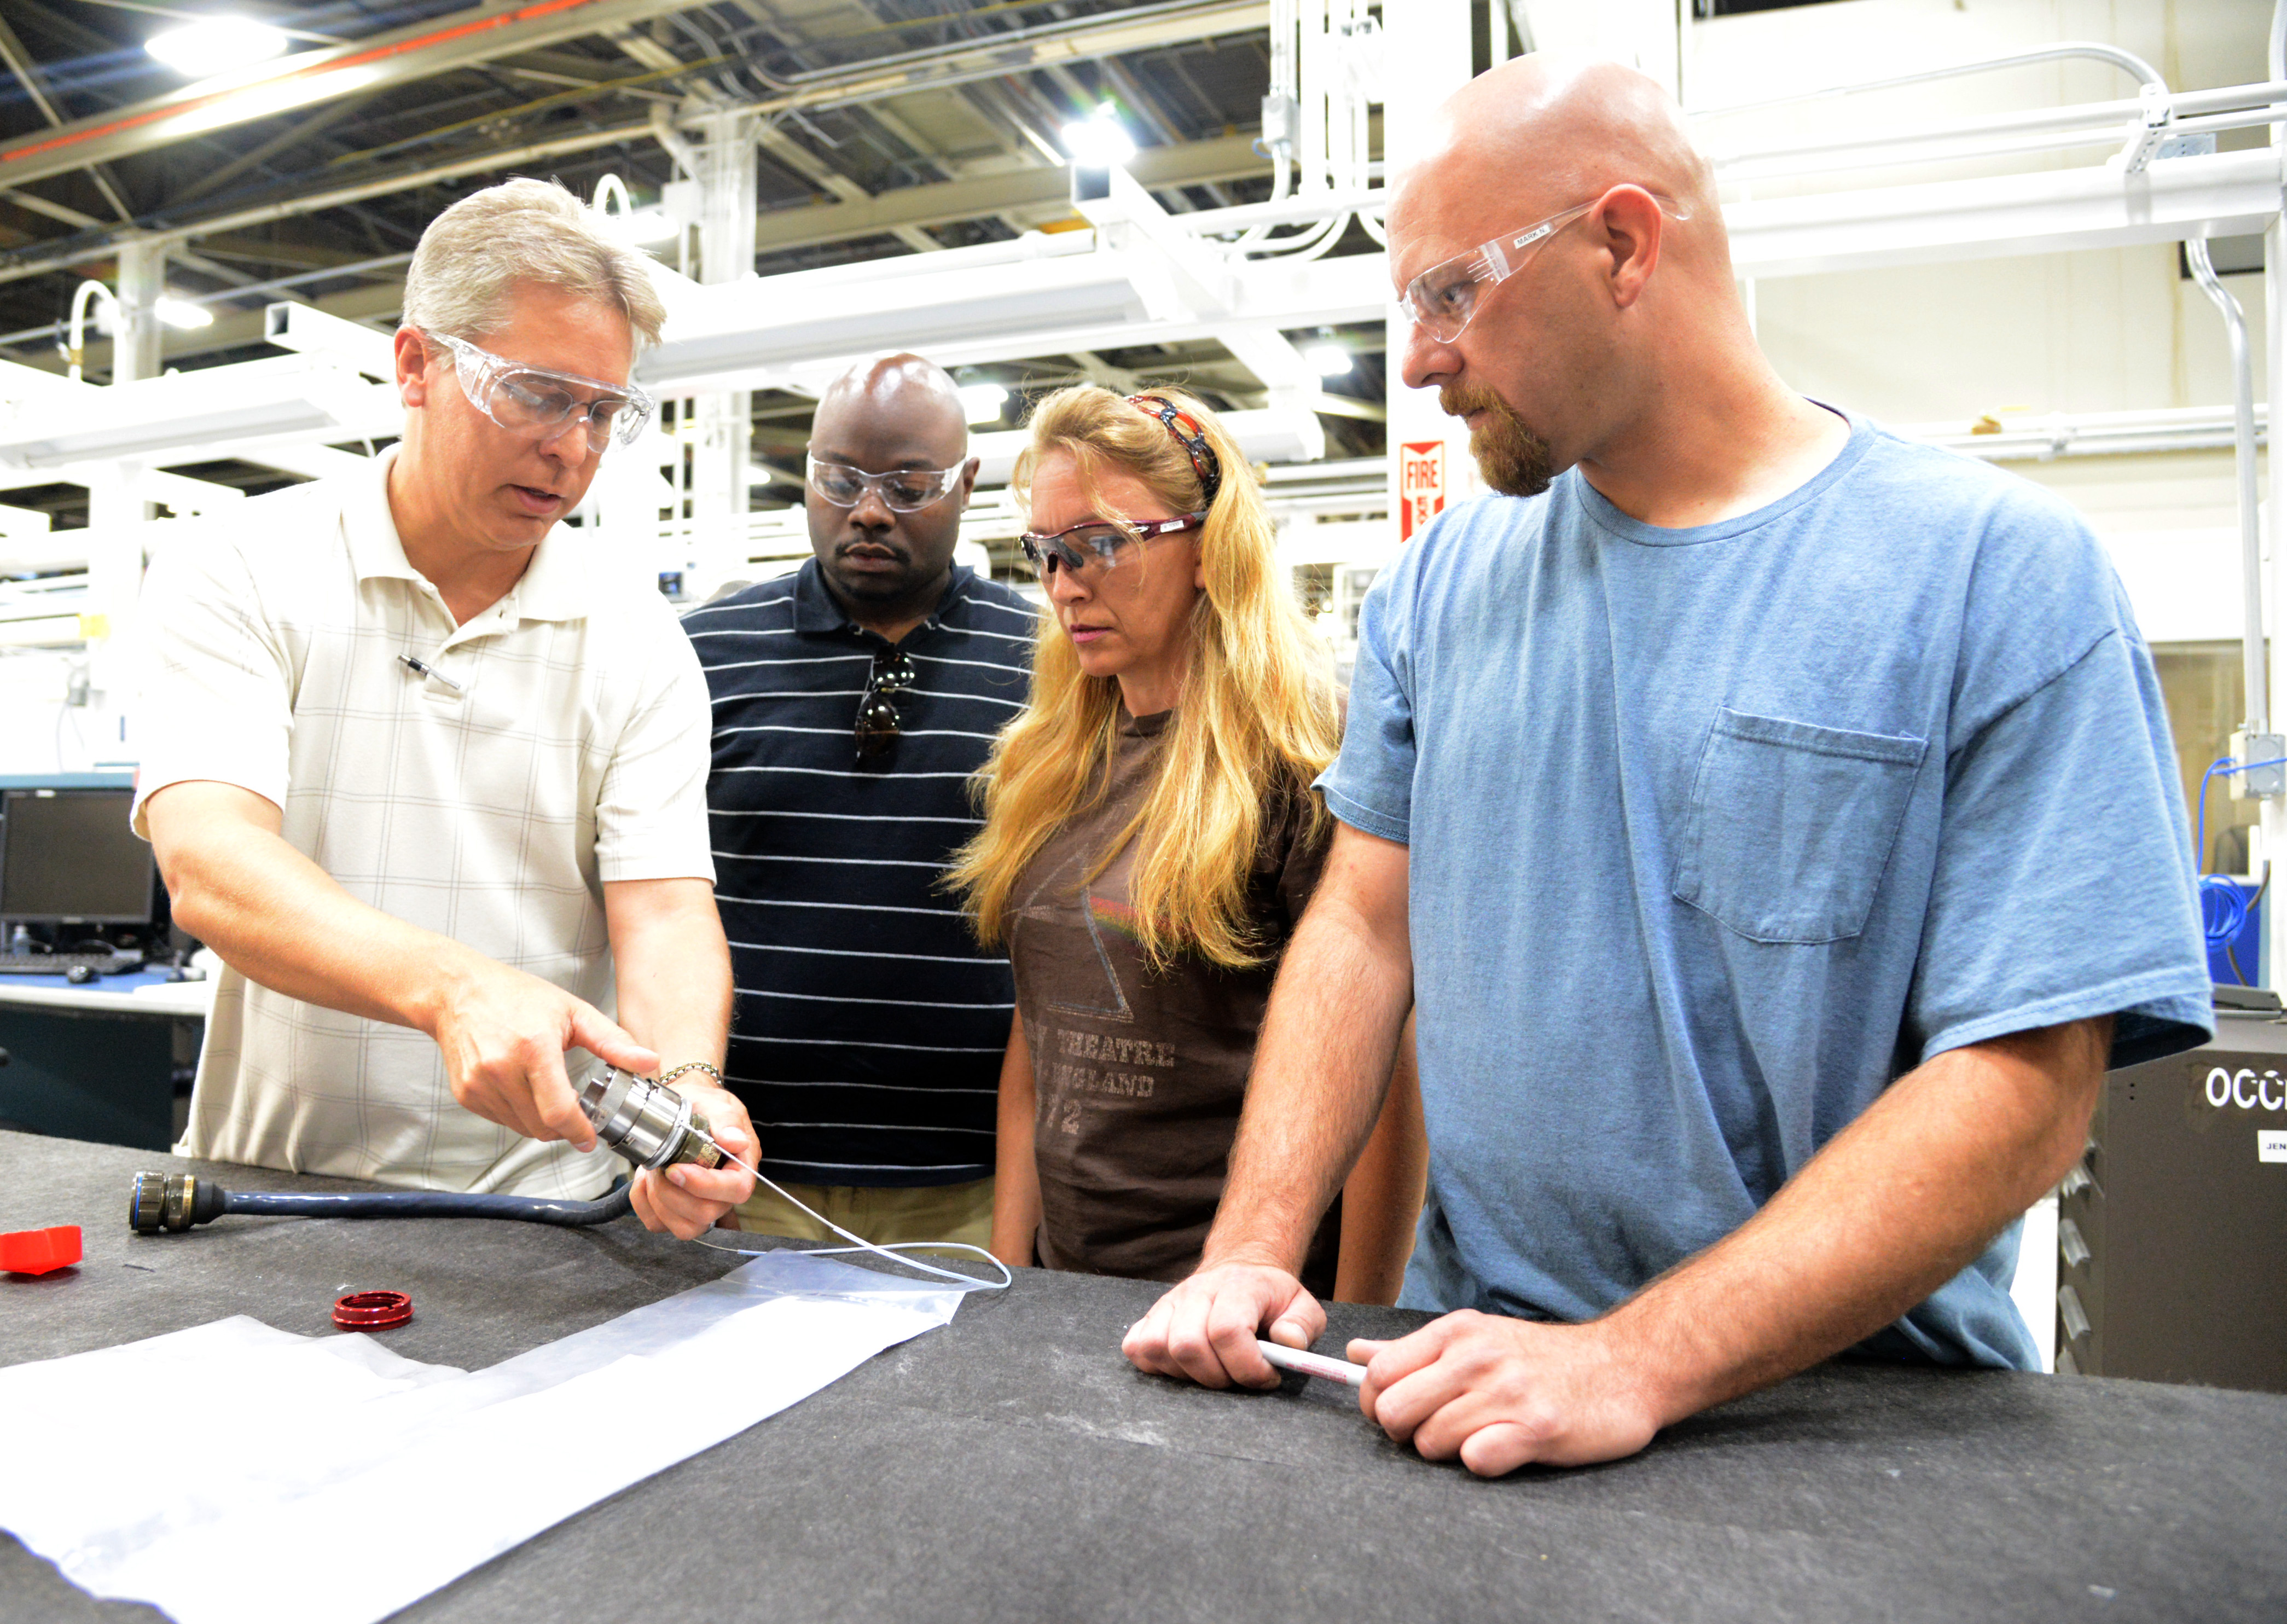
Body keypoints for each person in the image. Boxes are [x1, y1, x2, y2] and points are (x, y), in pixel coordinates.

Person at [1122, 56, 2211, 1471]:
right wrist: (1250, 1250)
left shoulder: (1991, 578)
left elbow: (2026, 1079)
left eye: (1452, 291)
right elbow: (1362, 925)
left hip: (1845, 1422)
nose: (1419, 358)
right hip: (1468, 1392)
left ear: (1623, 246)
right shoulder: (1437, 589)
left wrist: (1636, 1356)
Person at [136, 178, 754, 1239]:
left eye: (602, 409)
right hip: (272, 1193)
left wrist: (691, 1084)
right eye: (536, 392)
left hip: (542, 1209)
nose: (573, 446)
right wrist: (451, 987)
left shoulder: (636, 634)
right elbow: (210, 863)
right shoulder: (240, 564)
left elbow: (659, 911)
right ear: (415, 364)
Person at [949, 386, 1425, 1300]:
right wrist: (1010, 1280)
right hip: (1066, 1280)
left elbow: (1383, 1082)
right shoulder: (1046, 764)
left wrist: (1356, 1315)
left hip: (1236, 1292)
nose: (1064, 585)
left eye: (1101, 545)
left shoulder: (1306, 761)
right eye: (1046, 553)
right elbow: (1035, 1042)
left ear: (1209, 547)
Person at [685, 353, 1034, 1249]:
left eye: (909, 485)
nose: (870, 510)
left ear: (968, 484)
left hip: (971, 1185)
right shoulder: (703, 656)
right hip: (740, 1174)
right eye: (841, 480)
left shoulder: (1052, 665)